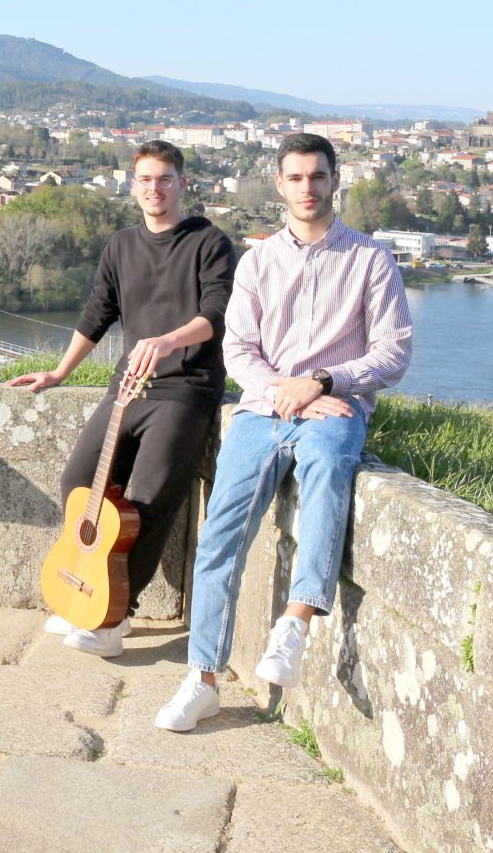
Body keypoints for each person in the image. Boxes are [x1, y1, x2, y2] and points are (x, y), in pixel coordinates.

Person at [155, 132, 413, 732]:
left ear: (335, 180)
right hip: (263, 408)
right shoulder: (257, 262)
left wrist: (322, 382)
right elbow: (239, 349)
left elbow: (394, 352)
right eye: (295, 178)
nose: (307, 188)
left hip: (333, 406)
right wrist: (283, 391)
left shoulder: (371, 260)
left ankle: (295, 623)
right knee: (220, 533)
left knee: (328, 472)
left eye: (317, 176)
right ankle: (202, 678)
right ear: (279, 184)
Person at [8, 140, 234, 657]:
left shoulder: (209, 242)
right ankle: (83, 596)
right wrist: (59, 372)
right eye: (146, 180)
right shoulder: (121, 245)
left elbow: (218, 313)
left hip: (185, 389)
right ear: (133, 186)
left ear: (182, 183)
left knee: (148, 502)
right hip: (128, 386)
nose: (155, 189)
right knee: (78, 483)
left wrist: (168, 341)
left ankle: (114, 617)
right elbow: (98, 312)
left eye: (165, 179)